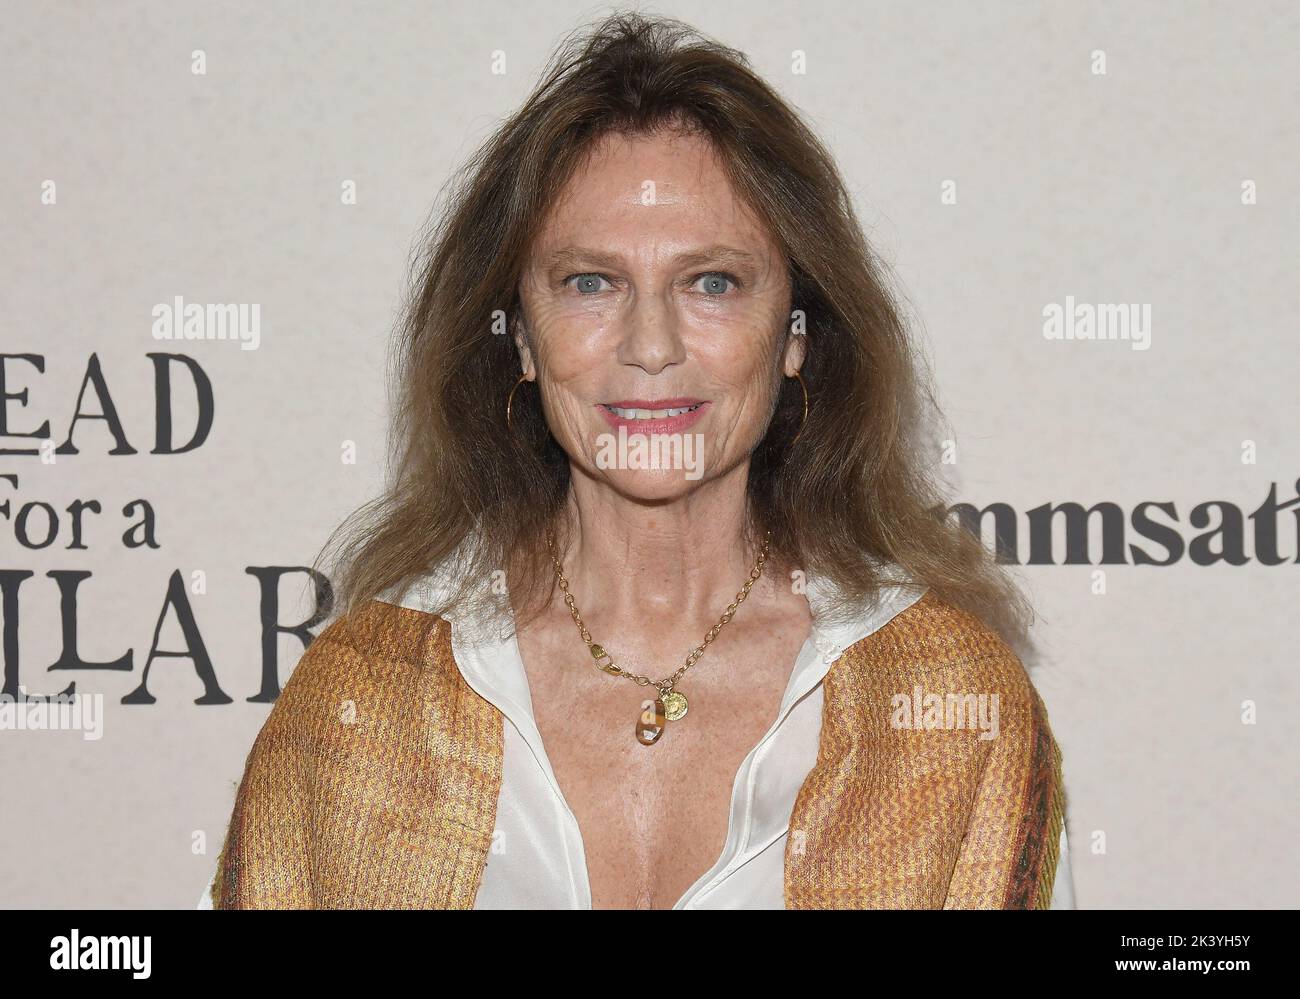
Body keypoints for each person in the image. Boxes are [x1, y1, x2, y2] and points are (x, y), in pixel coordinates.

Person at [199, 12, 1075, 910]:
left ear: (796, 337)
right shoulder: (367, 698)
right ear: (522, 340)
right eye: (590, 283)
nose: (650, 345)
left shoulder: (947, 705)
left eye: (712, 282)